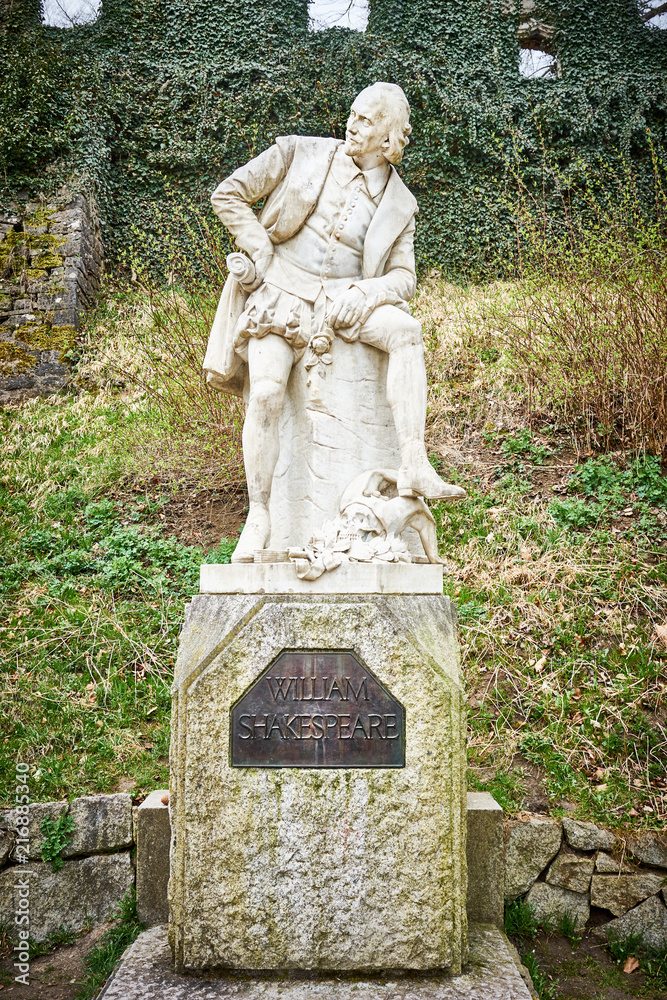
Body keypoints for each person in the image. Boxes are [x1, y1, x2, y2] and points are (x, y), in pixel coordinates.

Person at [204, 82, 465, 563]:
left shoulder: (401, 204)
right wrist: (260, 249)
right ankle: (259, 513)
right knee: (265, 393)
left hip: (343, 302)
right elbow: (228, 195)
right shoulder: (299, 152)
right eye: (353, 114)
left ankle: (413, 461)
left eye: (366, 120)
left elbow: (404, 277)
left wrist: (368, 291)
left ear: (389, 139)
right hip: (281, 290)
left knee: (407, 332)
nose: (352, 123)